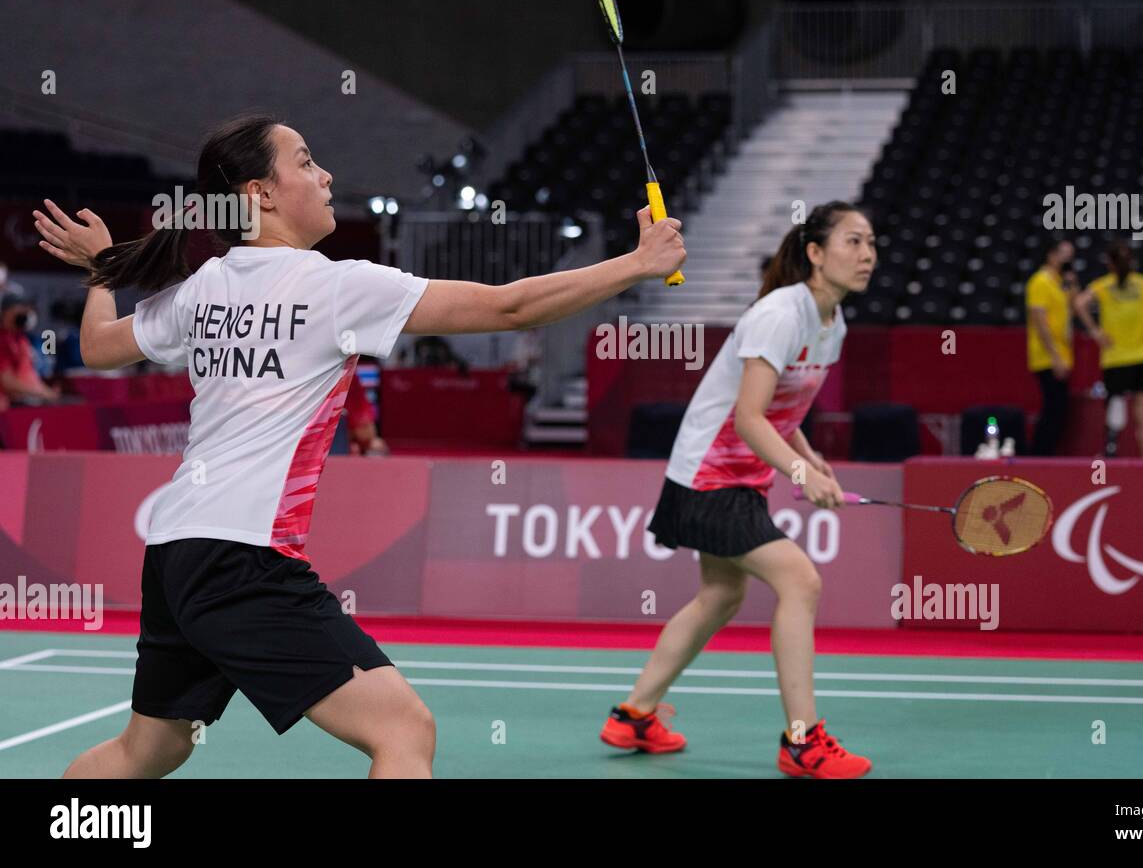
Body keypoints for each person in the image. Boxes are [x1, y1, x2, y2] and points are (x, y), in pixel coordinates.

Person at [34, 112, 684, 779]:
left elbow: (97, 348)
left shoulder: (204, 289)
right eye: (307, 162)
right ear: (260, 193)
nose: (326, 176)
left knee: (151, 749)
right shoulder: (336, 286)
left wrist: (98, 272)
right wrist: (637, 264)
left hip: (176, 552)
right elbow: (507, 308)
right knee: (404, 729)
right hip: (242, 557)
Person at [600, 202, 874, 779]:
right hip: (707, 476)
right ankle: (802, 743)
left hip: (740, 478)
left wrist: (808, 457)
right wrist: (801, 477)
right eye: (853, 242)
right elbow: (749, 418)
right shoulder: (780, 315)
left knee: (721, 594)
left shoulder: (833, 325)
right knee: (800, 580)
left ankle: (634, 715)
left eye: (871, 243)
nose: (867, 254)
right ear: (816, 255)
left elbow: (780, 412)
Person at [1073, 241, 1143, 459]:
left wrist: (1095, 331)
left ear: (1110, 263)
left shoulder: (1104, 286)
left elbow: (1078, 303)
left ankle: (1111, 461)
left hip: (1115, 359)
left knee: (1115, 412)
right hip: (1141, 356)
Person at [1025, 237, 1077, 455]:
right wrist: (1054, 355)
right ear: (1051, 255)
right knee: (1053, 409)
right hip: (1047, 356)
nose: (1068, 260)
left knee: (1059, 410)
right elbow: (1039, 322)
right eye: (1064, 255)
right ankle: (1038, 455)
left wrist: (1072, 288)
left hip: (1062, 355)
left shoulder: (1059, 284)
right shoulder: (1040, 282)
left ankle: (1045, 455)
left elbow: (1069, 317)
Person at [0, 294, 60, 408]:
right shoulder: (2, 340)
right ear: (5, 312)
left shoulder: (21, 339)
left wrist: (47, 391)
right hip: (7, 409)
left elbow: (28, 373)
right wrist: (41, 392)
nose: (25, 314)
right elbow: (7, 382)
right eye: (19, 309)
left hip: (25, 403)